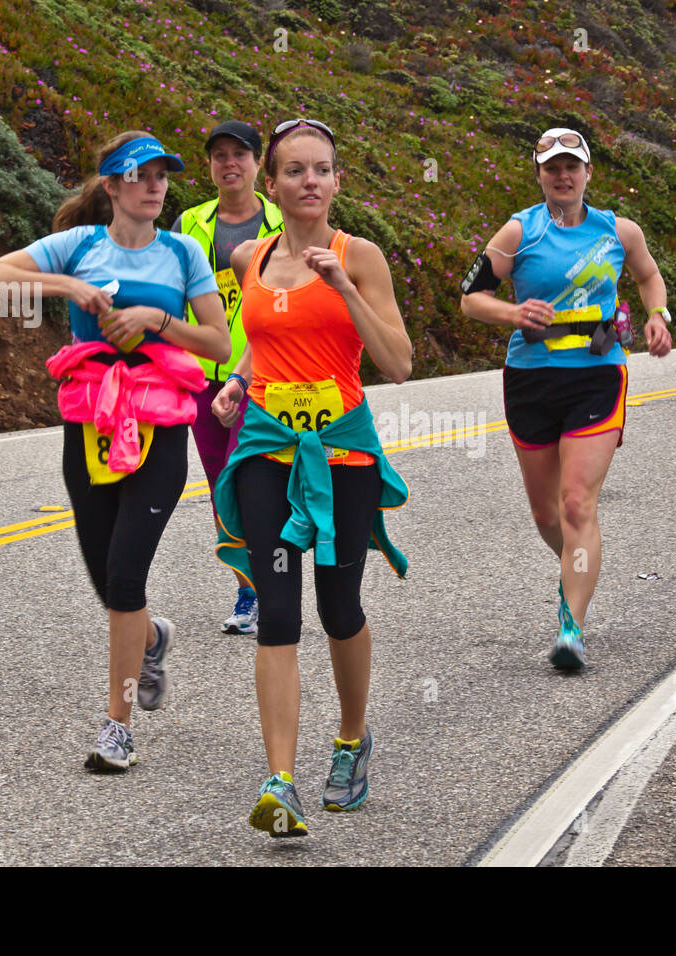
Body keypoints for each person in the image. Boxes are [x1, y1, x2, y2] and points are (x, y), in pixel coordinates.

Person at [0, 132, 231, 770]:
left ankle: (116, 727)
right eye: (139, 175)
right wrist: (69, 289)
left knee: (123, 577)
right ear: (111, 186)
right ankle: (150, 637)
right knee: (107, 582)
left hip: (161, 427)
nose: (155, 186)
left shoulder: (184, 252)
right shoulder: (79, 246)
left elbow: (220, 345)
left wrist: (152, 321)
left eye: (163, 175)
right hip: (88, 428)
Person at [210, 119, 412, 837]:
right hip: (268, 446)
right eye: (293, 171)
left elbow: (397, 362)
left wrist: (344, 288)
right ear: (270, 185)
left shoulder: (361, 258)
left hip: (342, 456)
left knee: (338, 605)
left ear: (337, 182)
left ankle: (353, 739)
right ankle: (281, 781)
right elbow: (263, 343)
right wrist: (238, 380)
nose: (309, 182)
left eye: (321, 170)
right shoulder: (248, 257)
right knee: (278, 610)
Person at [460, 127, 672, 671]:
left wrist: (656, 316)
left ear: (588, 173)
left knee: (577, 503)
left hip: (598, 374)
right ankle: (578, 567)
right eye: (552, 167)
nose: (563, 175)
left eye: (571, 166)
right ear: (539, 175)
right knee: (546, 511)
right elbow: (471, 300)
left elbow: (649, 277)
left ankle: (572, 626)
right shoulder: (517, 233)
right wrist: (513, 313)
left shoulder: (618, 231)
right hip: (531, 376)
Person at [172, 121, 284, 636]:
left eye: (240, 154)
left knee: (253, 480)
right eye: (219, 155)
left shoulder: (285, 221)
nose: (229, 164)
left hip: (265, 374)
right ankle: (247, 588)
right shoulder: (190, 223)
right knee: (220, 485)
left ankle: (270, 579)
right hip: (202, 378)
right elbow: (172, 294)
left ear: (259, 164)